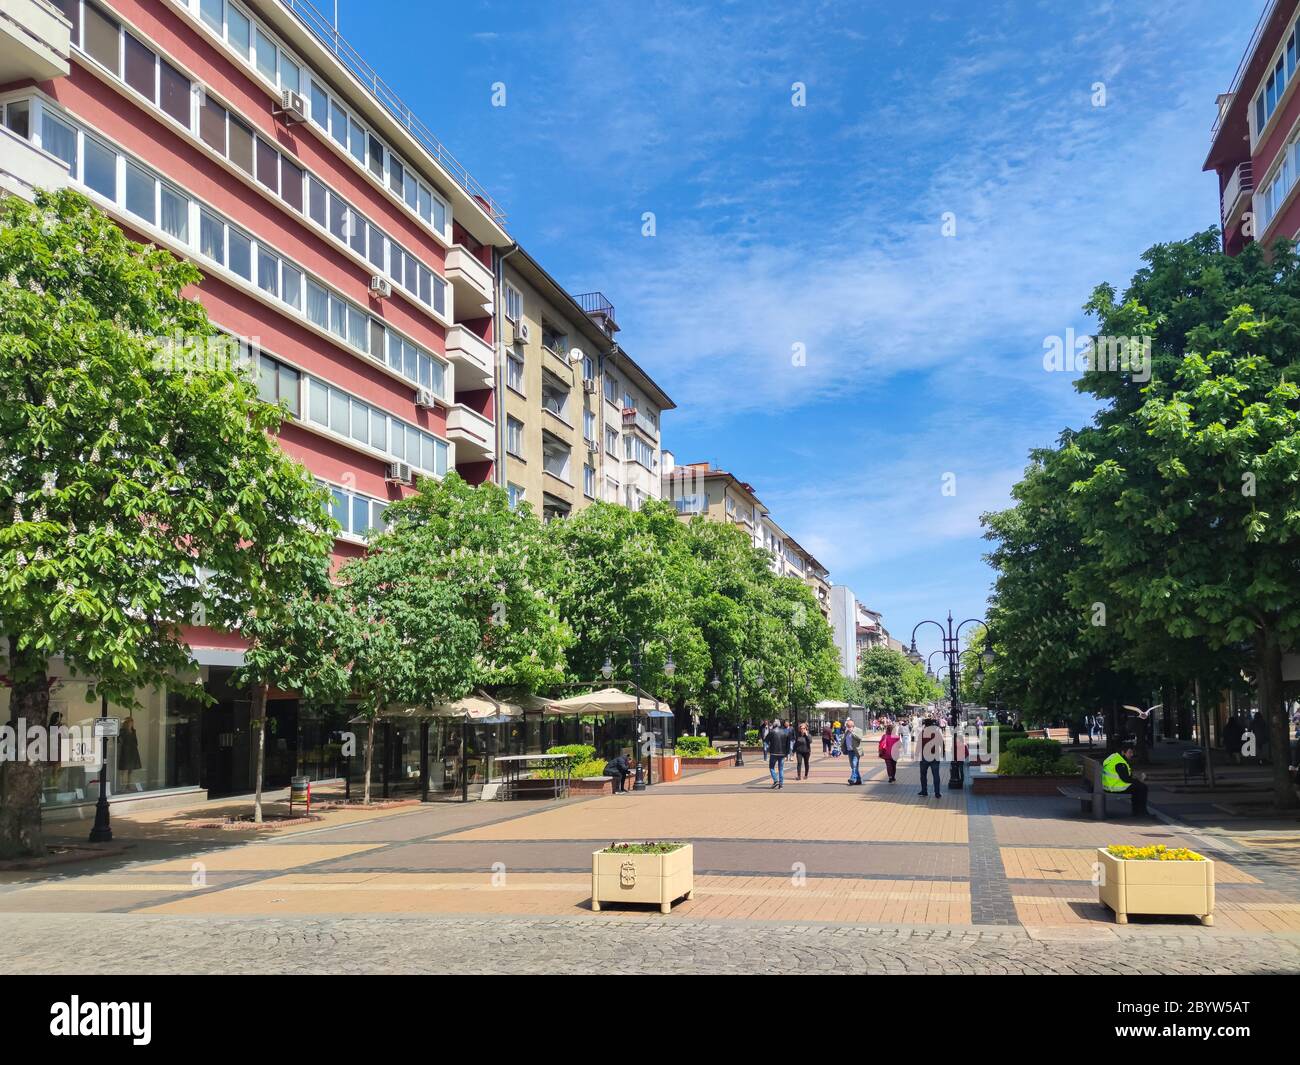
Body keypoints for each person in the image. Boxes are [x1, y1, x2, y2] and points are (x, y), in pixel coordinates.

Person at [1101, 741, 1148, 816]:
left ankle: (1137, 811)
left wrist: (1135, 779)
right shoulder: (1120, 763)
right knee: (1142, 787)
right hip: (1114, 787)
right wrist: (1138, 780)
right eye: (1129, 752)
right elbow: (1126, 779)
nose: (1131, 755)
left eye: (1132, 752)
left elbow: (1124, 776)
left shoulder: (1115, 757)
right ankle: (1141, 812)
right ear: (1123, 752)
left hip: (1107, 785)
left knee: (1138, 787)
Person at [918, 717, 943, 798]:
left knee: (923, 775)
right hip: (935, 756)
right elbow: (941, 743)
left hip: (924, 756)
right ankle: (937, 793)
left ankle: (924, 791)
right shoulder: (936, 732)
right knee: (936, 775)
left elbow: (919, 745)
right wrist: (943, 752)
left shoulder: (922, 733)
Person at [767, 719, 789, 789]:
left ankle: (775, 780)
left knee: (771, 767)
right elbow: (787, 744)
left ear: (774, 724)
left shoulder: (771, 732)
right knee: (781, 769)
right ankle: (781, 784)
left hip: (773, 753)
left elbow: (766, 740)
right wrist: (787, 753)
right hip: (782, 753)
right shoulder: (784, 732)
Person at [843, 719, 862, 785]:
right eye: (847, 725)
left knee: (854, 764)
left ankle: (852, 778)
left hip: (856, 751)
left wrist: (852, 733)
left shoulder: (858, 730)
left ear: (852, 725)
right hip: (849, 751)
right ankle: (858, 780)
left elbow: (859, 738)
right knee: (854, 766)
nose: (847, 726)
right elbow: (844, 740)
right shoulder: (846, 731)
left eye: (848, 725)